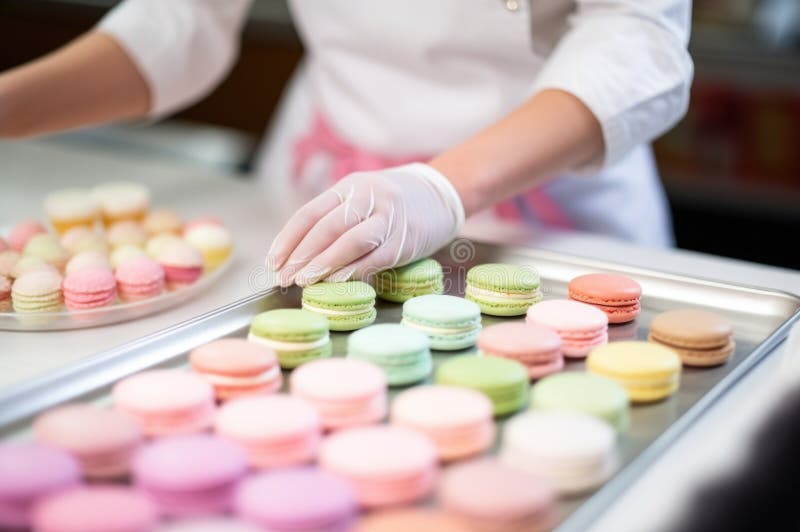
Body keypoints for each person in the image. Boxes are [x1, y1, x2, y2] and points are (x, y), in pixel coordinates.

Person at [0, 1, 693, 286]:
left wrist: (440, 187)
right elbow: (183, 19)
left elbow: (637, 36)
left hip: (544, 189)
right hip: (325, 192)